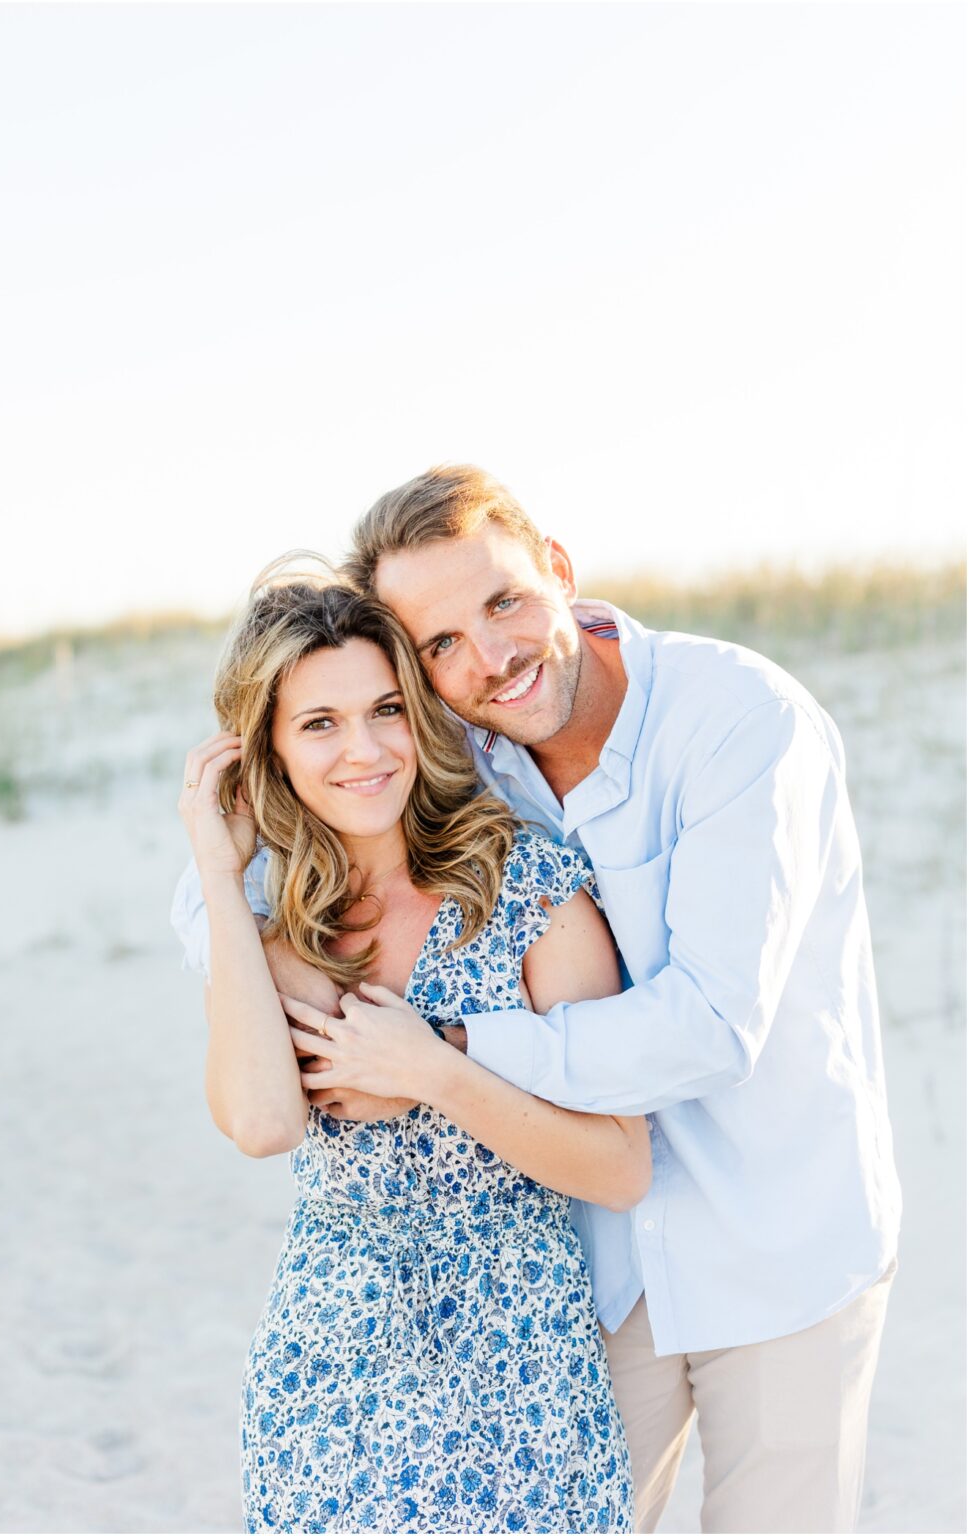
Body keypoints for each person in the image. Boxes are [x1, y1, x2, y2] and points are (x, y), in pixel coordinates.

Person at [174, 466, 903, 1535]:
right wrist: (264, 948)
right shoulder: (458, 740)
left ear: (556, 571)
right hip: (594, 1273)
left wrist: (436, 1054)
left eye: (504, 602)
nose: (489, 658)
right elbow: (243, 878)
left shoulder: (736, 724)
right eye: (439, 644)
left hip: (771, 1235)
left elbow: (709, 1030)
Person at [175, 562, 648, 1534]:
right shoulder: (281, 938)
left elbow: (619, 1164)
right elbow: (262, 1124)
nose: (364, 750)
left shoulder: (522, 885)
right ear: (267, 746)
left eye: (386, 709)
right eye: (319, 723)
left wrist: (433, 1071)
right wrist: (221, 877)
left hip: (517, 1369)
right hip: (330, 1377)